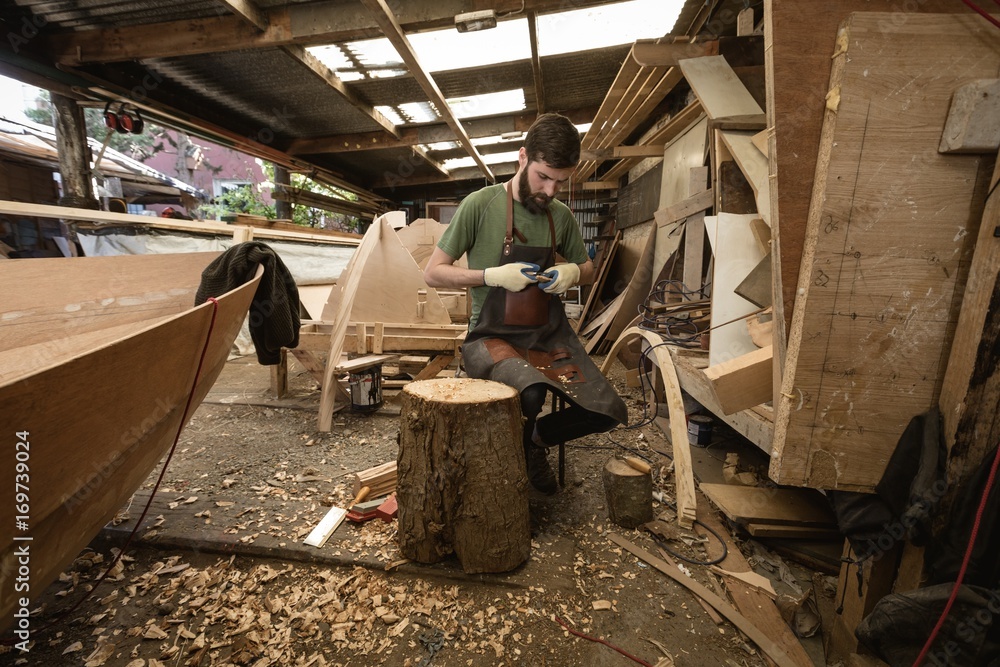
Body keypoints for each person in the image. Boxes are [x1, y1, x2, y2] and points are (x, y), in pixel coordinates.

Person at [424, 113, 628, 493]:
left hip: (546, 337)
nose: (550, 191)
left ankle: (532, 442)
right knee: (531, 391)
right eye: (543, 177)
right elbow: (433, 273)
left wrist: (574, 273)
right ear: (522, 157)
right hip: (489, 338)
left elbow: (589, 269)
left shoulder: (561, 217)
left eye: (560, 182)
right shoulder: (480, 204)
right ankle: (510, 462)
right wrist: (489, 276)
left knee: (608, 411)